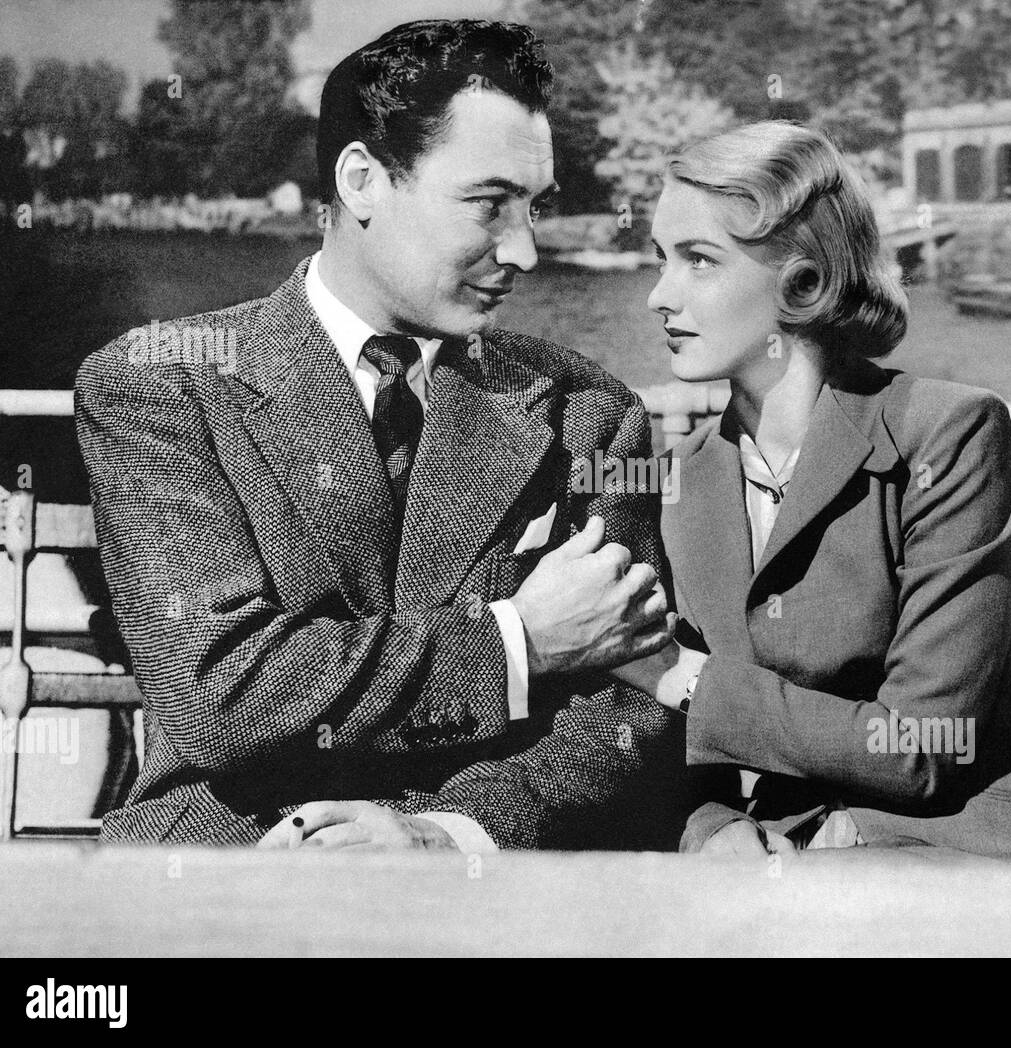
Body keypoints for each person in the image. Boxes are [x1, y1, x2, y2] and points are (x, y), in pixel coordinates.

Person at [75, 20, 682, 851]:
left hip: (487, 885)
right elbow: (220, 696)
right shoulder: (158, 382)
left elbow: (628, 709)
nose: (527, 250)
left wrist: (445, 836)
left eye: (533, 207)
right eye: (489, 204)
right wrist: (517, 642)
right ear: (361, 180)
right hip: (228, 871)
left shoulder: (589, 410)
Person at [614, 122, 1011, 862]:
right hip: (780, 858)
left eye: (699, 261)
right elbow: (651, 739)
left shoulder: (950, 433)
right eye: (661, 259)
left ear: (803, 281)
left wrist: (684, 679)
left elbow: (921, 746)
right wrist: (711, 828)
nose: (659, 295)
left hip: (970, 850)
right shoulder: (677, 479)